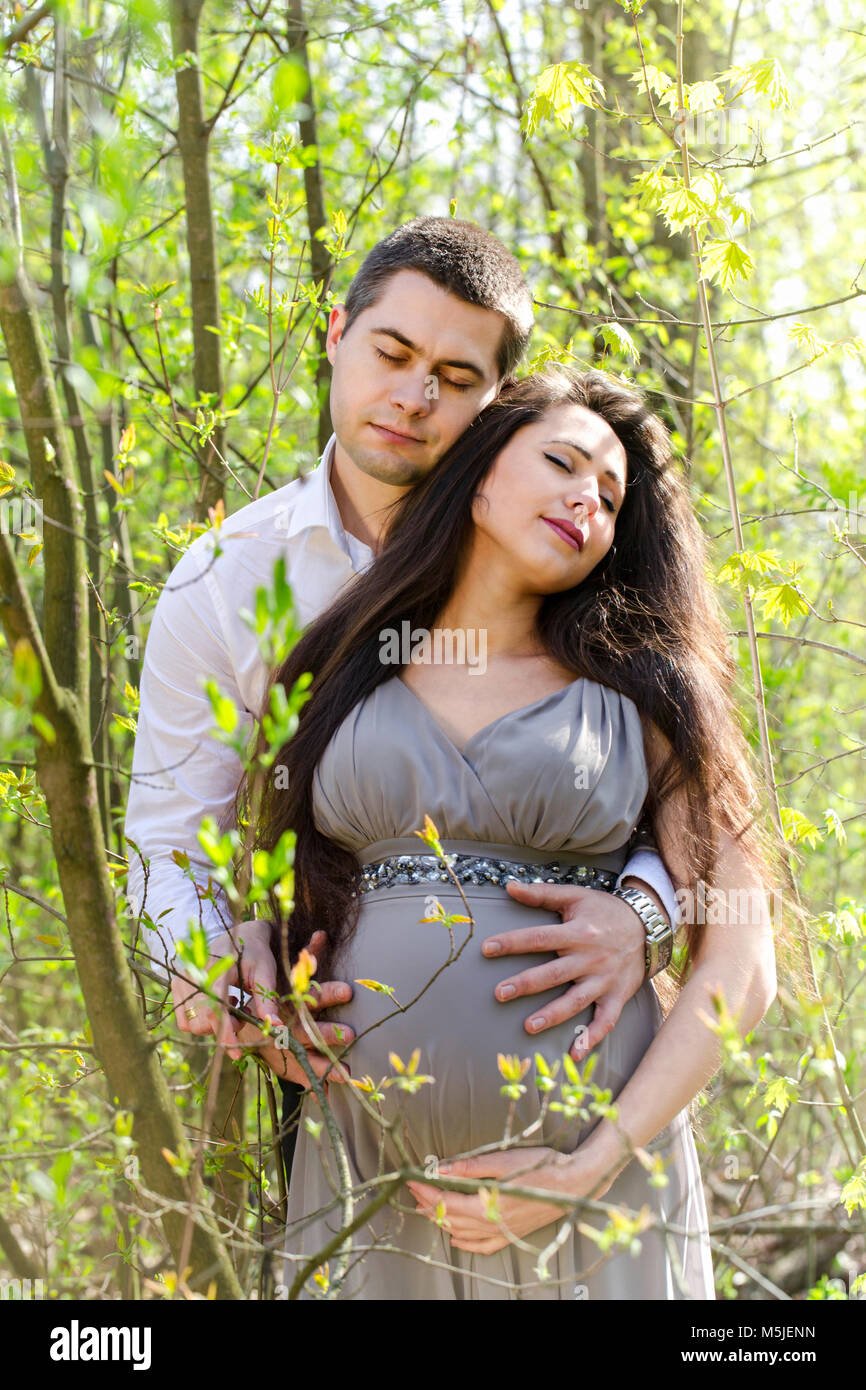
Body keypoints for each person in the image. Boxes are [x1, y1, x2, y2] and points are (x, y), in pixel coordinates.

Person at [123, 218, 678, 1178]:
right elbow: (168, 841)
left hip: (593, 1091)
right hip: (331, 1069)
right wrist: (221, 965)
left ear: (501, 402)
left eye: (457, 380)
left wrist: (646, 914)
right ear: (336, 334)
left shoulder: (558, 551)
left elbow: (689, 808)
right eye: (392, 352)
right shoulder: (226, 581)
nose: (414, 399)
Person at [252, 367, 779, 1300]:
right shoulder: (345, 660)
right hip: (372, 1174)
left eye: (611, 499)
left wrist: (590, 1167)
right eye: (564, 462)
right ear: (481, 473)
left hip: (590, 1182)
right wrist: (258, 953)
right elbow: (262, 872)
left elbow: (743, 961)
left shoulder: (647, 690)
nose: (588, 498)